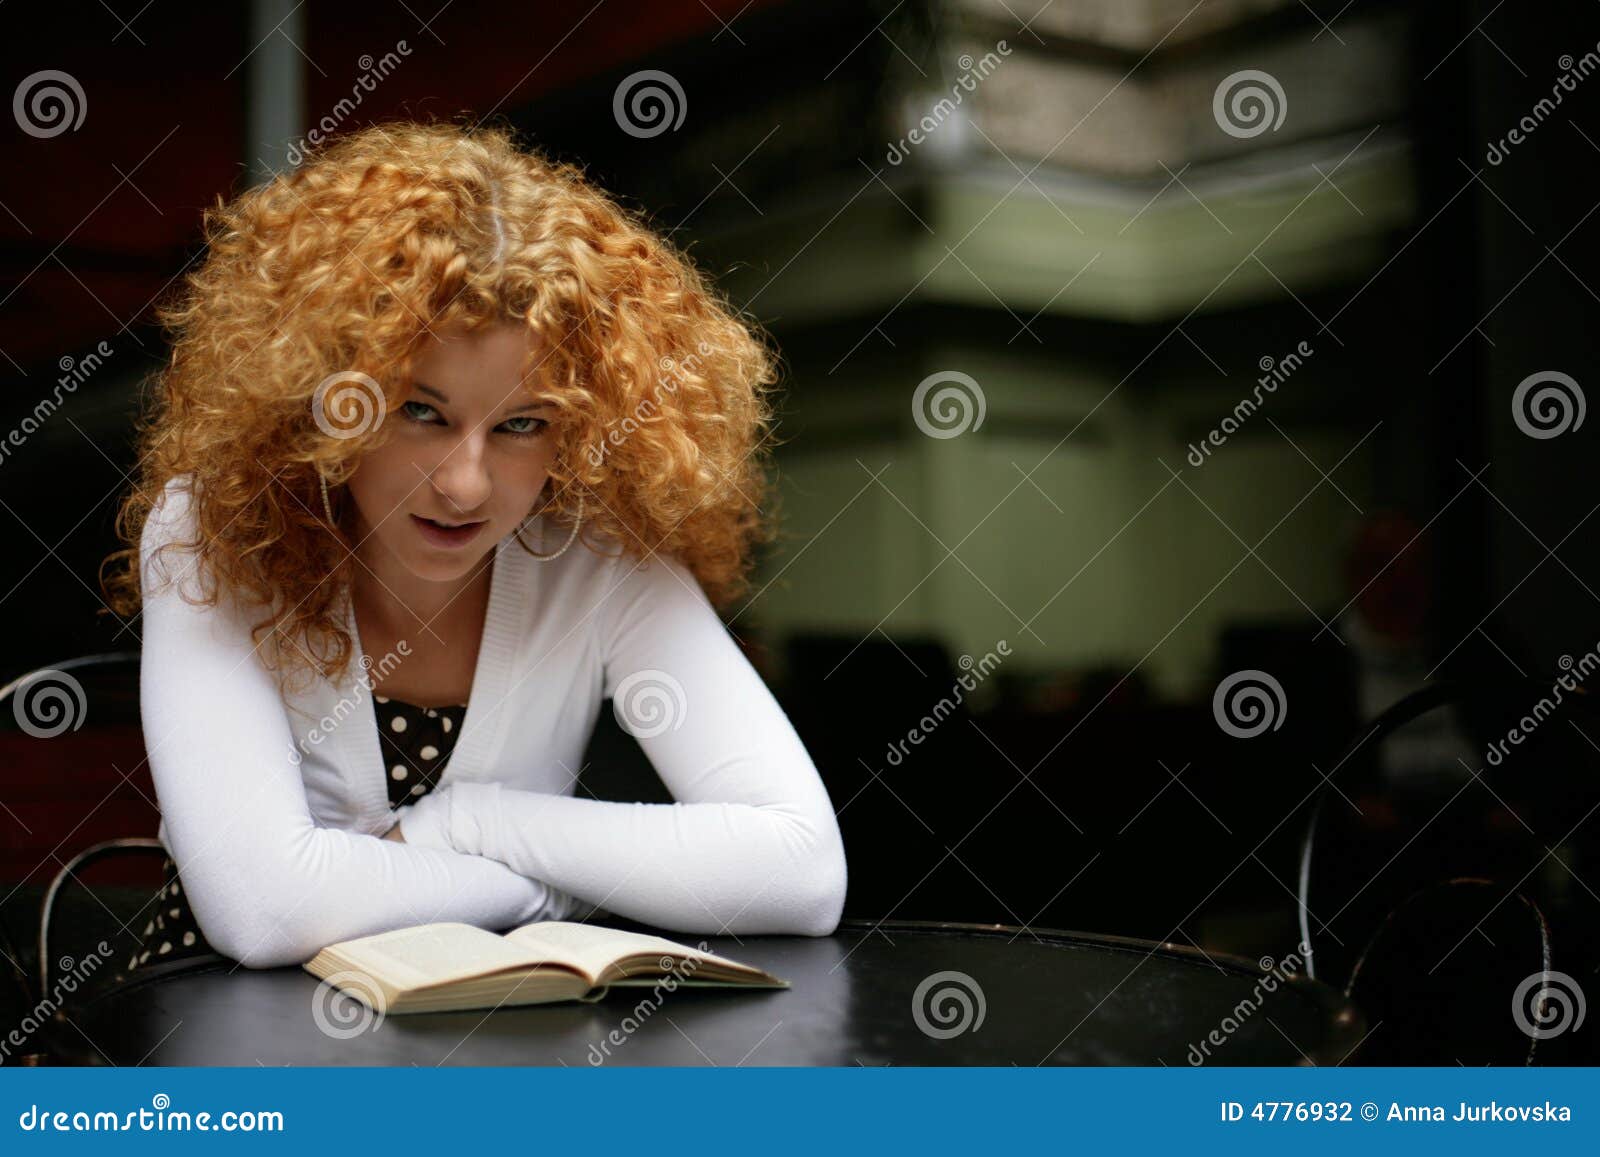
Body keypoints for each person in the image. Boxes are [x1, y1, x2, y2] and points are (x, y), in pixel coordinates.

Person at [99, 118, 848, 972]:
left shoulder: (599, 553)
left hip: (479, 1045)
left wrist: (469, 823)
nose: (465, 484)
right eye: (423, 412)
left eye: (522, 425)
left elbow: (800, 871)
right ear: (327, 391)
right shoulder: (218, 525)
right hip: (225, 1053)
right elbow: (265, 908)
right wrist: (536, 889)